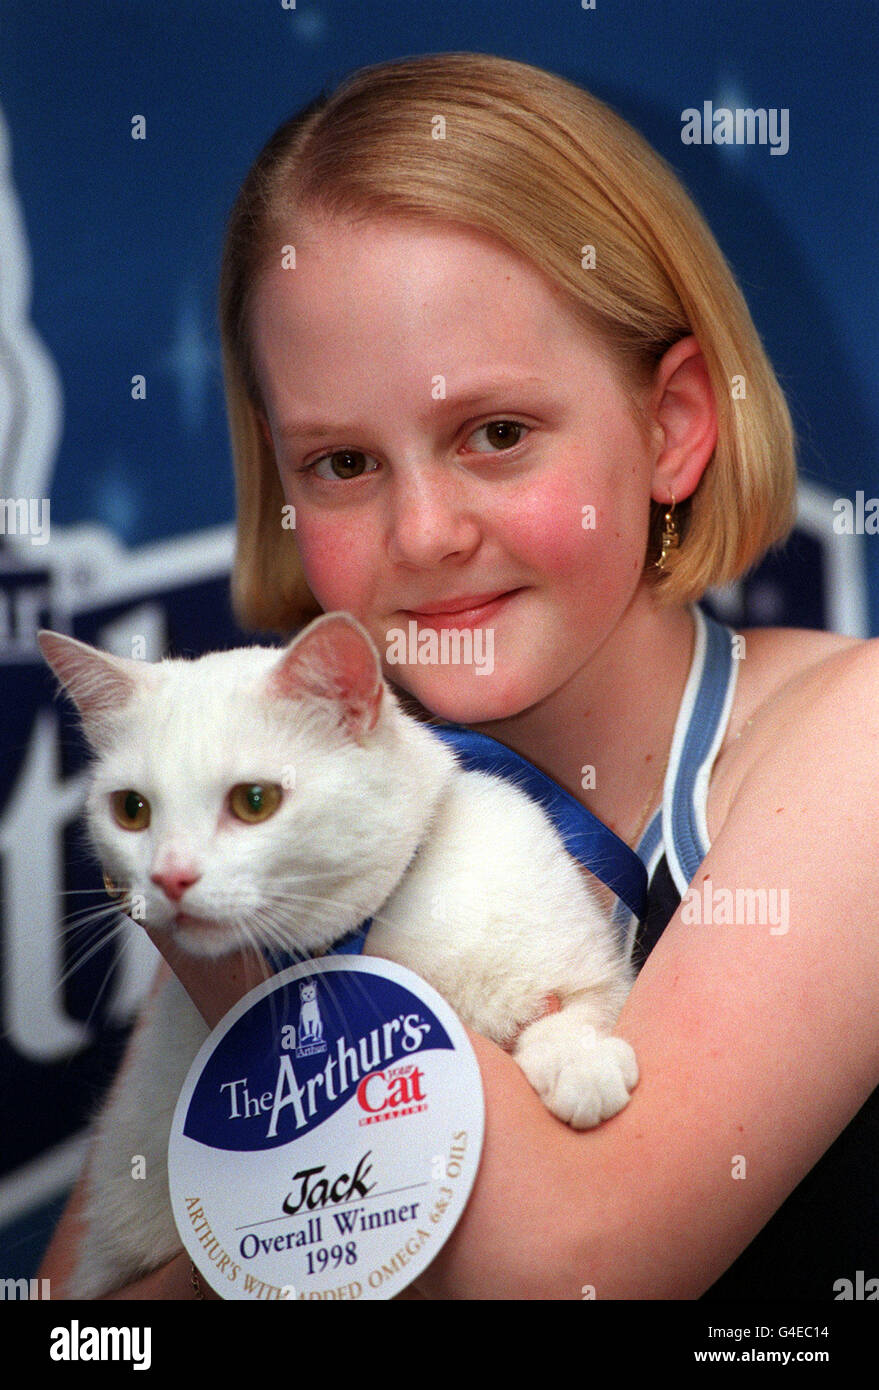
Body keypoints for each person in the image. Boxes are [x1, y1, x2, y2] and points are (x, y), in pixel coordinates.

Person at [41, 51, 879, 1300]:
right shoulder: (268, 826)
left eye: (496, 433)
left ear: (673, 425)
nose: (424, 533)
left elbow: (580, 1264)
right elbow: (82, 1323)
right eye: (342, 463)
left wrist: (286, 1078)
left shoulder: (855, 742)